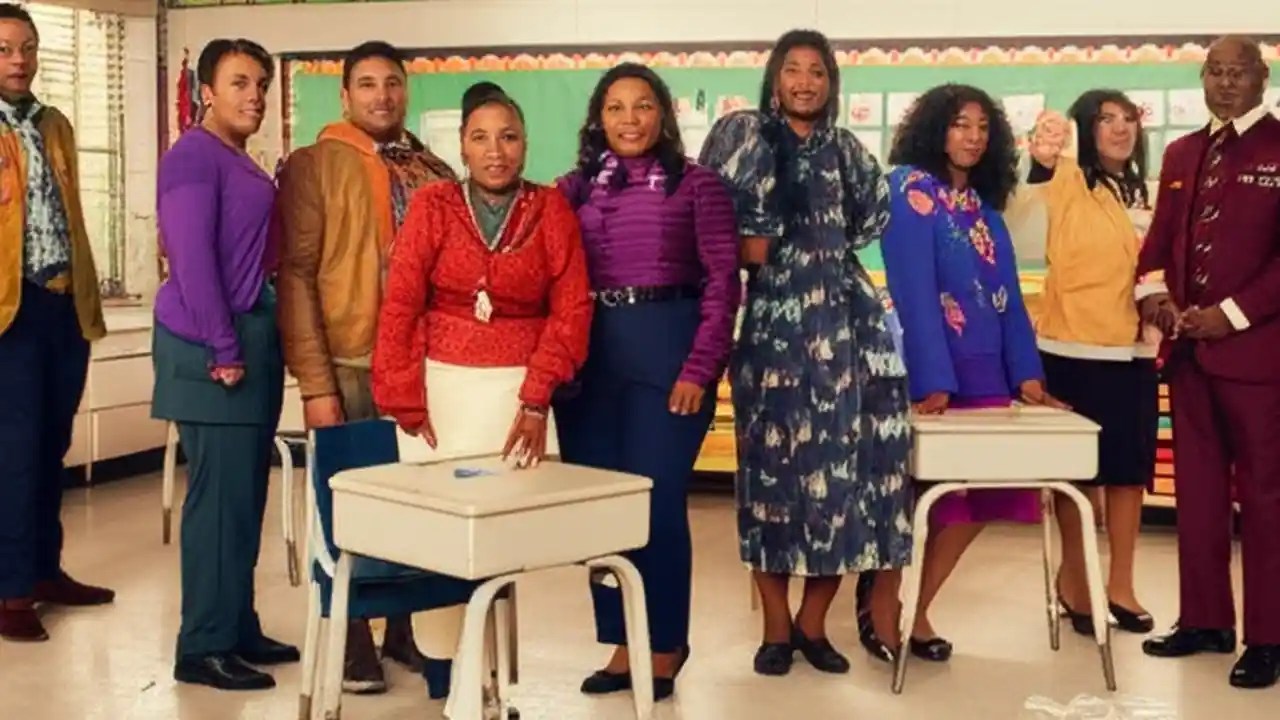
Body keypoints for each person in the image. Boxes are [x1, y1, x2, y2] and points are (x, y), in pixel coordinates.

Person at [699, 29, 913, 677]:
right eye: (792, 69)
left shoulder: (848, 152)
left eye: (816, 71)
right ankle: (772, 628)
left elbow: (873, 221)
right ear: (773, 77)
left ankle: (813, 627)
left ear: (831, 83)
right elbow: (708, 216)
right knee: (768, 485)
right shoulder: (741, 135)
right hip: (768, 338)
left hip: (847, 337)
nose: (804, 81)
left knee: (839, 489)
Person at [371, 81, 592, 695]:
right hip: (438, 396)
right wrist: (401, 397)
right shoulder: (434, 205)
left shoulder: (551, 210)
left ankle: (486, 679)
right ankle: (446, 678)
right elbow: (401, 303)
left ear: (525, 145)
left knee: (497, 547)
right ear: (462, 149)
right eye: (480, 138)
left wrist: (535, 397)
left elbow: (571, 313)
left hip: (516, 400)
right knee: (439, 543)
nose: (495, 151)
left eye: (508, 137)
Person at [275, 40, 457, 695]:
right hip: (349, 359)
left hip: (424, 363)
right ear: (345, 95)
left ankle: (405, 629)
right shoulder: (314, 165)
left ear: (406, 91)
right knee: (346, 505)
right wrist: (315, 383)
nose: (382, 95)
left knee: (417, 501)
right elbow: (295, 276)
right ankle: (353, 639)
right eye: (367, 84)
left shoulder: (431, 167)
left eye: (393, 83)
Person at [554, 63, 739, 701]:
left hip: (668, 355)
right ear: (598, 119)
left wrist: (701, 366)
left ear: (662, 114)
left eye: (642, 106)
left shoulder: (699, 186)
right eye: (615, 108)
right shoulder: (573, 190)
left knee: (656, 504)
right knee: (600, 511)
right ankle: (620, 641)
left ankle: (665, 641)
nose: (629, 120)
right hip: (591, 362)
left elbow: (723, 284)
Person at [863, 83, 1065, 663]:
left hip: (989, 378)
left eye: (981, 126)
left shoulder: (980, 205)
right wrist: (933, 377)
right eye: (959, 124)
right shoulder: (906, 189)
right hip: (937, 374)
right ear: (934, 129)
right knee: (927, 501)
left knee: (984, 500)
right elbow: (912, 290)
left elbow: (1008, 298)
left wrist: (1027, 376)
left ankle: (917, 608)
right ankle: (884, 602)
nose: (973, 136)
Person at [150, 38, 298, 691]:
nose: (254, 95)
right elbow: (192, 259)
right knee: (217, 504)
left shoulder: (237, 158)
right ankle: (202, 645)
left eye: (261, 83)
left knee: (244, 498)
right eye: (239, 82)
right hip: (213, 346)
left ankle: (235, 624)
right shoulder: (192, 157)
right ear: (207, 91)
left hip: (247, 340)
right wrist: (225, 347)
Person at [1137, 35, 1280, 690]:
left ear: (1263, 76)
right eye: (1216, 72)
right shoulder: (1182, 152)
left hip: (1258, 357)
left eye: (1239, 72)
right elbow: (1157, 246)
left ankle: (1270, 636)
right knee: (1195, 495)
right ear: (1203, 77)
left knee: (1266, 499)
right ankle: (1204, 620)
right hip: (1188, 356)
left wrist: (1233, 314)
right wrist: (1158, 299)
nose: (1227, 83)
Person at [1009, 92, 1158, 638]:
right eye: (1106, 120)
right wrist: (1043, 158)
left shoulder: (1149, 190)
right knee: (1077, 477)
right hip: (1072, 349)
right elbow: (1026, 203)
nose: (1120, 130)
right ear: (1085, 130)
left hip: (1135, 351)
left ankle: (1121, 584)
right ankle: (1075, 582)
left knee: (1128, 476)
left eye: (1129, 120)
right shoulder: (1068, 178)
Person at [0, 2, 114, 643]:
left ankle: (44, 570)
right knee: (12, 453)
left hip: (62, 304)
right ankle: (11, 591)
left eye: (28, 47)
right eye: (5, 48)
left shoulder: (56, 124)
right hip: (7, 311)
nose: (19, 60)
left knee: (51, 446)